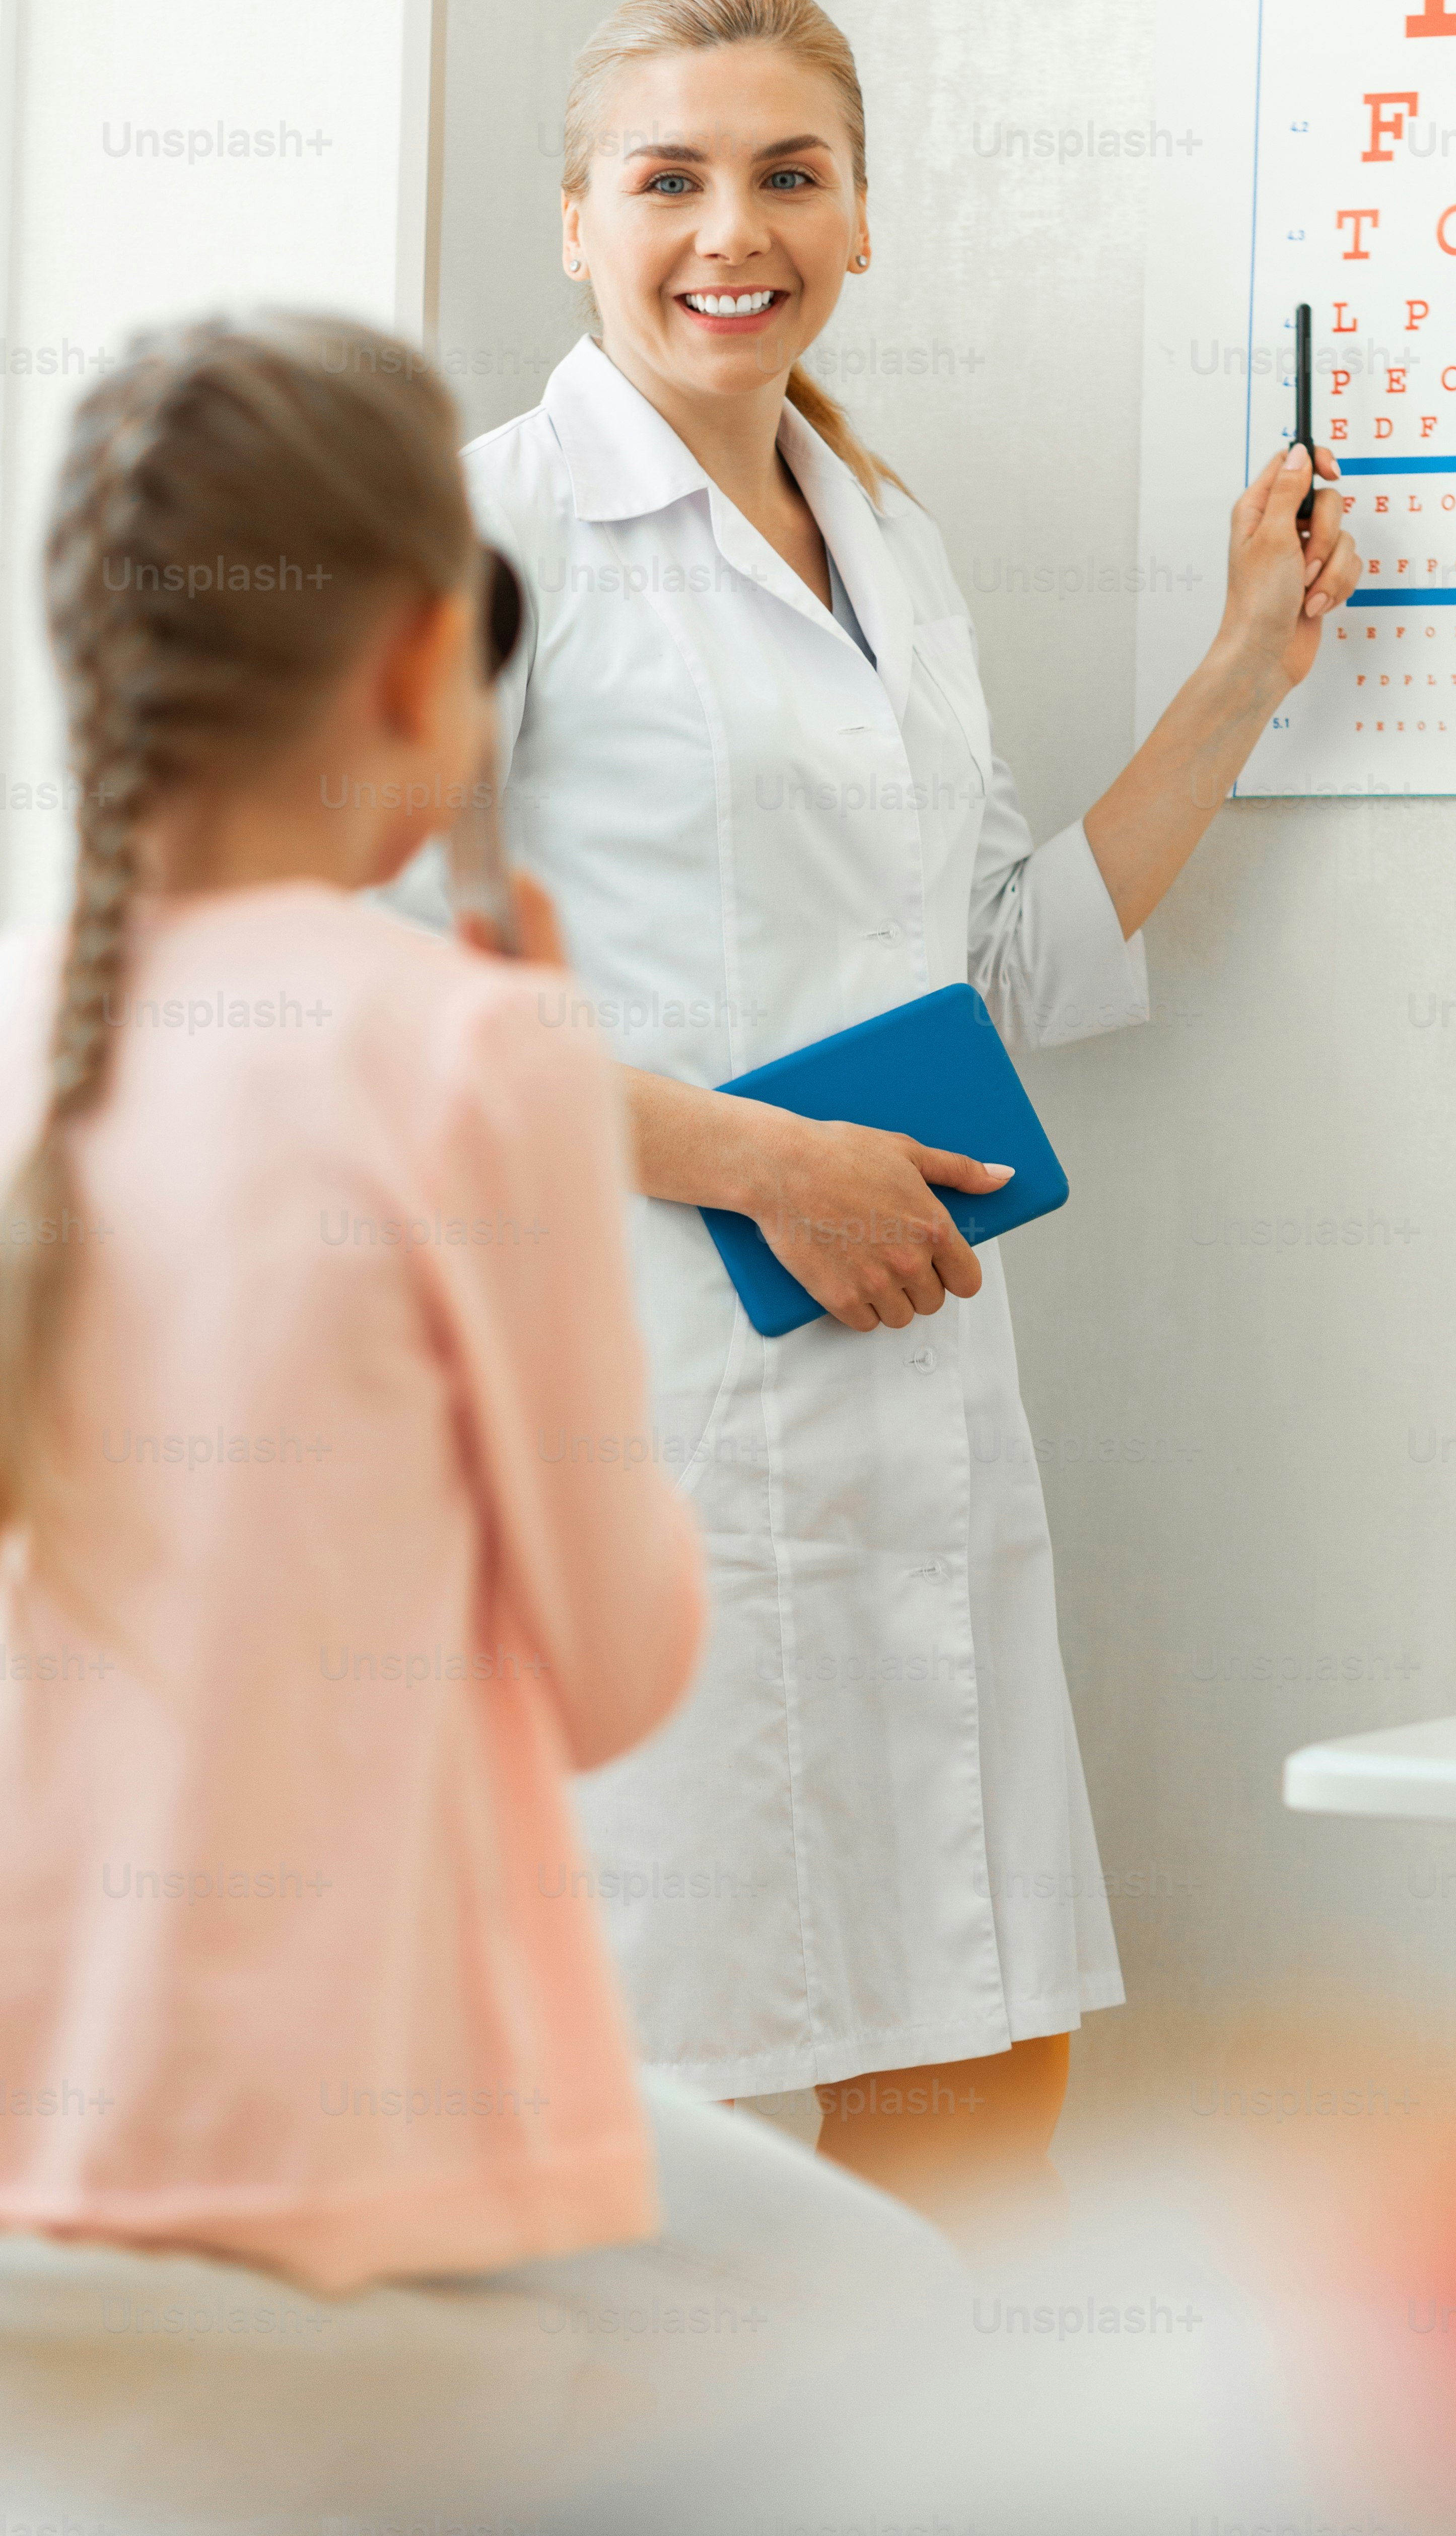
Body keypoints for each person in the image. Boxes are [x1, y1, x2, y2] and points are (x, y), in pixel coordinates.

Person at [0, 315, 954, 2525]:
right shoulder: (467, 1051)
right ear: (433, 656)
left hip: (37, 2123)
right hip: (358, 2133)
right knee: (890, 2317)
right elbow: (615, 1675)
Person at [436, 0, 1360, 2225]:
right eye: (668, 178)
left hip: (917, 1404)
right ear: (576, 220)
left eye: (789, 175)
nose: (728, 230)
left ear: (860, 219)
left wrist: (1244, 669)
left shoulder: (890, 541)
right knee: (650, 2139)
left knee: (980, 2089)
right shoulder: (480, 538)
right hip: (641, 1412)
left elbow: (1003, 965)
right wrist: (768, 1165)